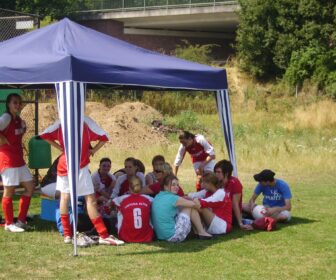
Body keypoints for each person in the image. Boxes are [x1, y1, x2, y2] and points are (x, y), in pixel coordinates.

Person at [40, 116, 124, 246]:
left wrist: (61, 148)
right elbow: (104, 137)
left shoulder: (63, 120)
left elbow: (44, 135)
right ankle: (103, 234)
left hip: (64, 164)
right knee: (90, 199)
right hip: (80, 165)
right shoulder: (84, 121)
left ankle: (67, 234)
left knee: (64, 198)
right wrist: (93, 150)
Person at [0, 93, 35, 232]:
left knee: (30, 187)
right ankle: (9, 224)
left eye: (19, 103)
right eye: (15, 102)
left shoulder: (18, 119)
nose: (17, 105)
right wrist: (2, 138)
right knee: (9, 191)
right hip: (8, 160)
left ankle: (21, 220)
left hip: (19, 160)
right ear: (8, 104)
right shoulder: (6, 117)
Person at [151, 174, 212, 242]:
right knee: (189, 207)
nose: (176, 187)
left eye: (177, 185)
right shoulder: (173, 198)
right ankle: (201, 232)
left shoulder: (158, 196)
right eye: (173, 185)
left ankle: (198, 232)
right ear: (165, 186)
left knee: (185, 207)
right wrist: (195, 200)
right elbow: (194, 205)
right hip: (172, 236)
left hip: (161, 236)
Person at [113, 176, 154, 243]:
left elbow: (111, 204)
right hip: (147, 237)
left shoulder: (121, 199)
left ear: (129, 188)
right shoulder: (149, 199)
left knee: (118, 213)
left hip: (126, 237)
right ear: (141, 187)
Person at [214, 160, 252, 230]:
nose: (216, 174)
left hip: (230, 215)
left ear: (226, 173)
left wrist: (240, 224)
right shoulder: (216, 182)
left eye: (219, 172)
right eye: (215, 172)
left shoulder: (234, 183)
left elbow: (235, 204)